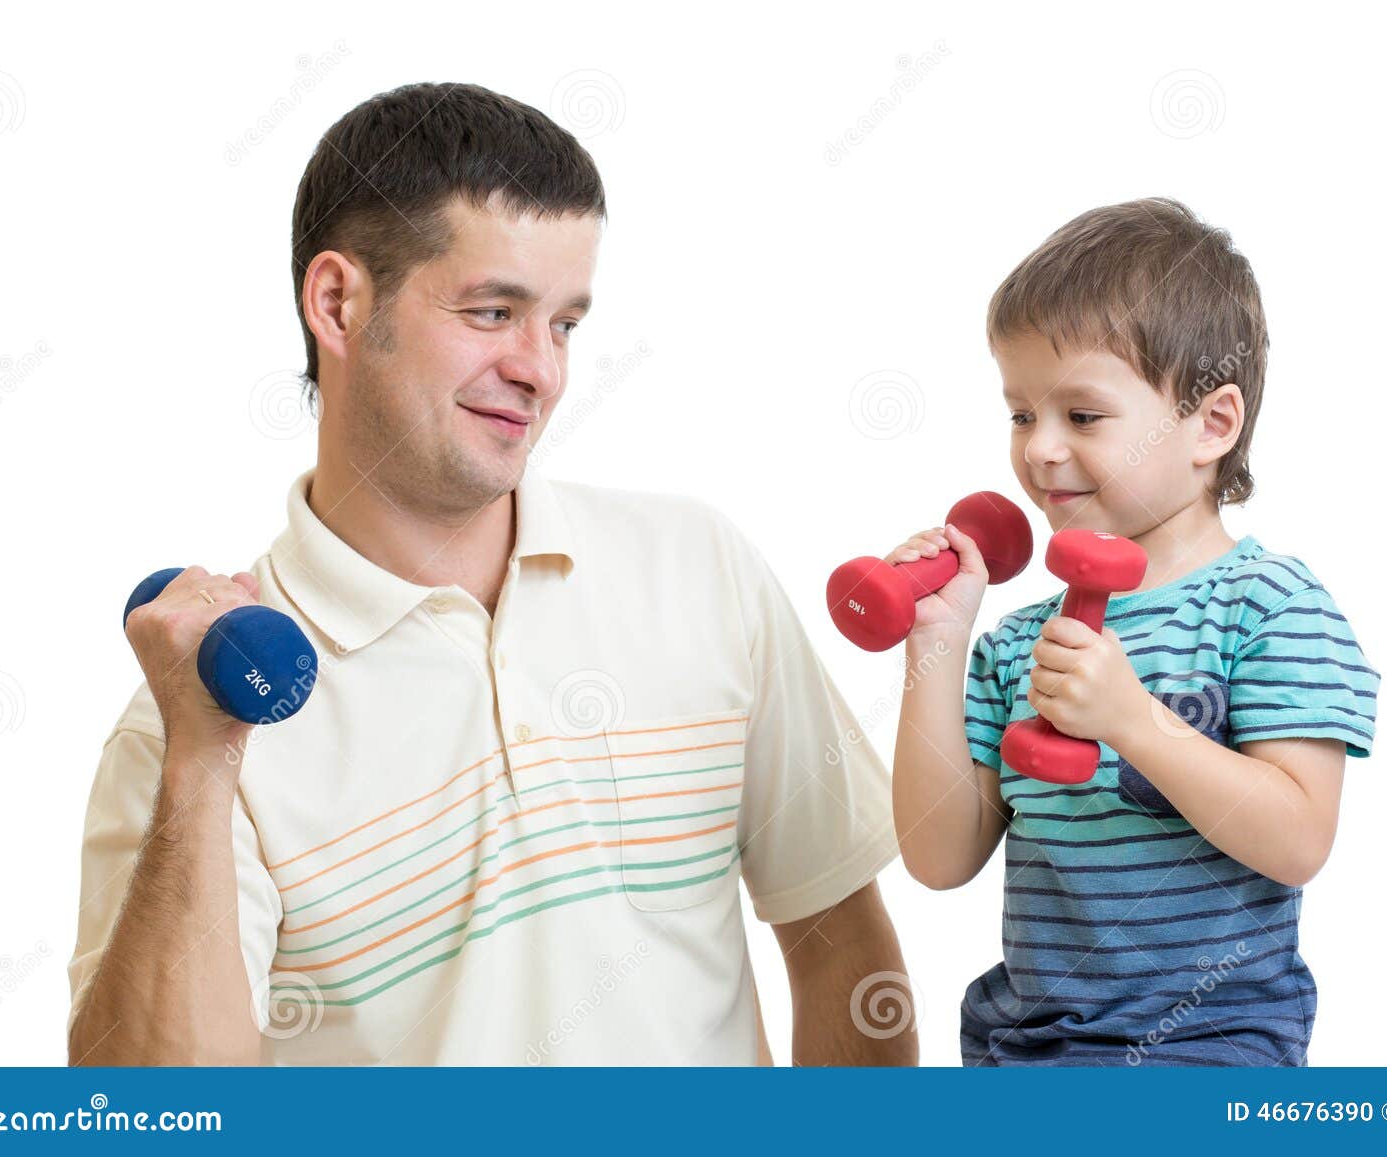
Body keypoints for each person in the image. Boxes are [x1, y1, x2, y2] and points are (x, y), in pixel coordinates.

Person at [68, 82, 912, 1066]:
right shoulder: (195, 721)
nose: (540, 370)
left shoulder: (700, 567)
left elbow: (841, 948)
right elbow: (161, 1114)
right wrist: (203, 765)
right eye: (494, 311)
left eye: (564, 324)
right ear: (338, 304)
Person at [888, 198, 1380, 1065]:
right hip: (1026, 1050)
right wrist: (935, 643)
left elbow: (1299, 838)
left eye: (1081, 416)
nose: (1039, 448)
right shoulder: (1018, 643)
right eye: (1020, 413)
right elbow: (938, 856)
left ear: (1211, 425)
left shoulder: (1269, 606)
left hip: (1210, 1049)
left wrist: (1132, 720)